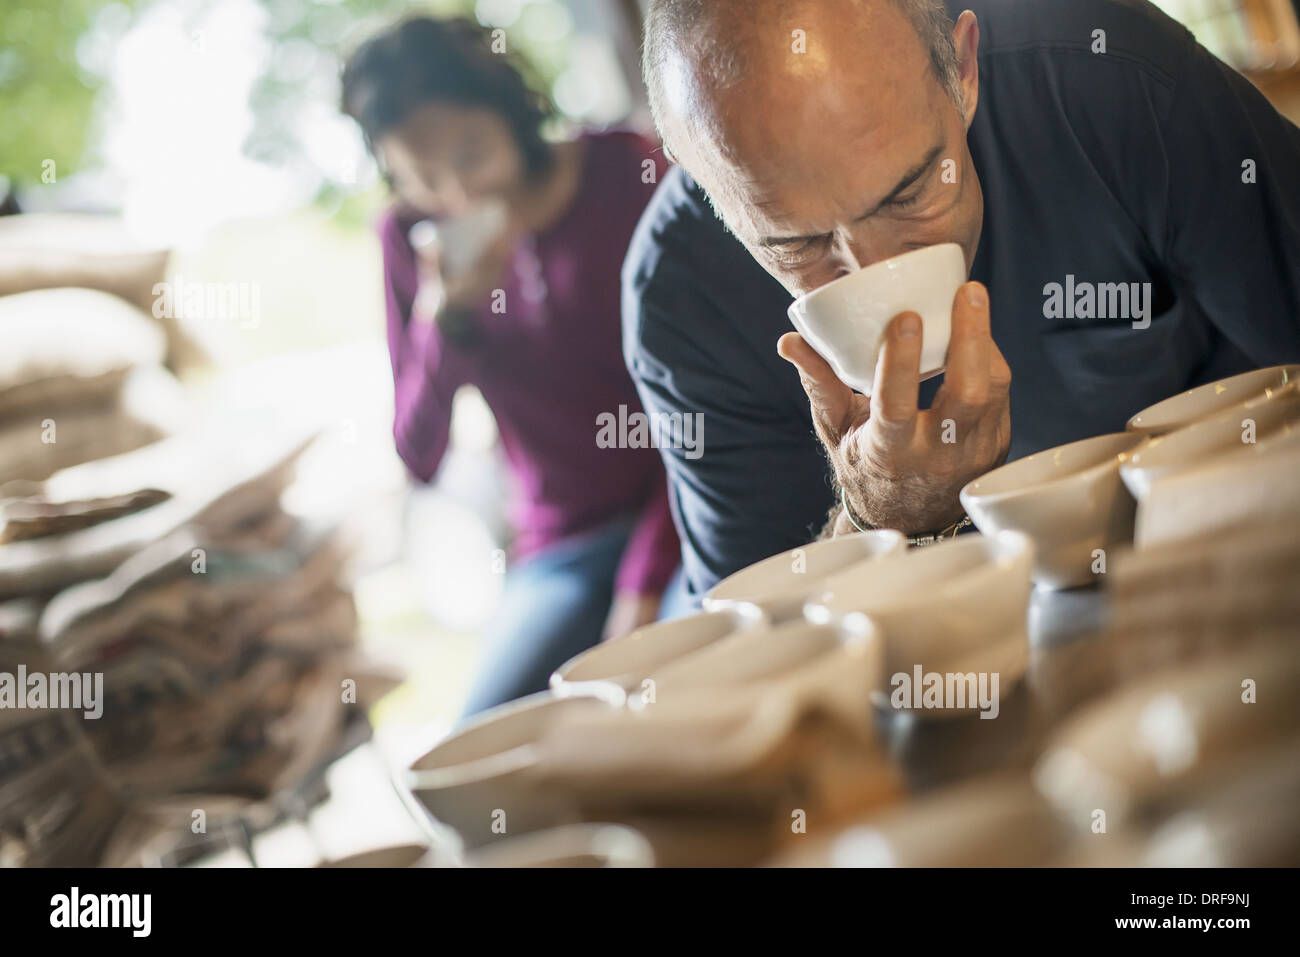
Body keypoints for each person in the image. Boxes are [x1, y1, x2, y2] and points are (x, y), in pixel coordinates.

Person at [624, 0, 1300, 601]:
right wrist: (873, 518)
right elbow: (757, 671)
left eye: (910, 193)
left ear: (964, 68)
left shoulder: (1108, 72)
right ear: (706, 182)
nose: (879, 268)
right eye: (796, 245)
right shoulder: (681, 298)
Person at [342, 17, 680, 718]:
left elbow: (701, 412)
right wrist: (446, 319)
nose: (458, 194)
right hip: (561, 547)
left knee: (668, 693)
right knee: (486, 734)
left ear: (511, 109)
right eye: (423, 177)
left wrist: (642, 588)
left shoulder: (627, 173)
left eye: (472, 153)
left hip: (684, 507)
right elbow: (418, 450)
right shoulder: (409, 240)